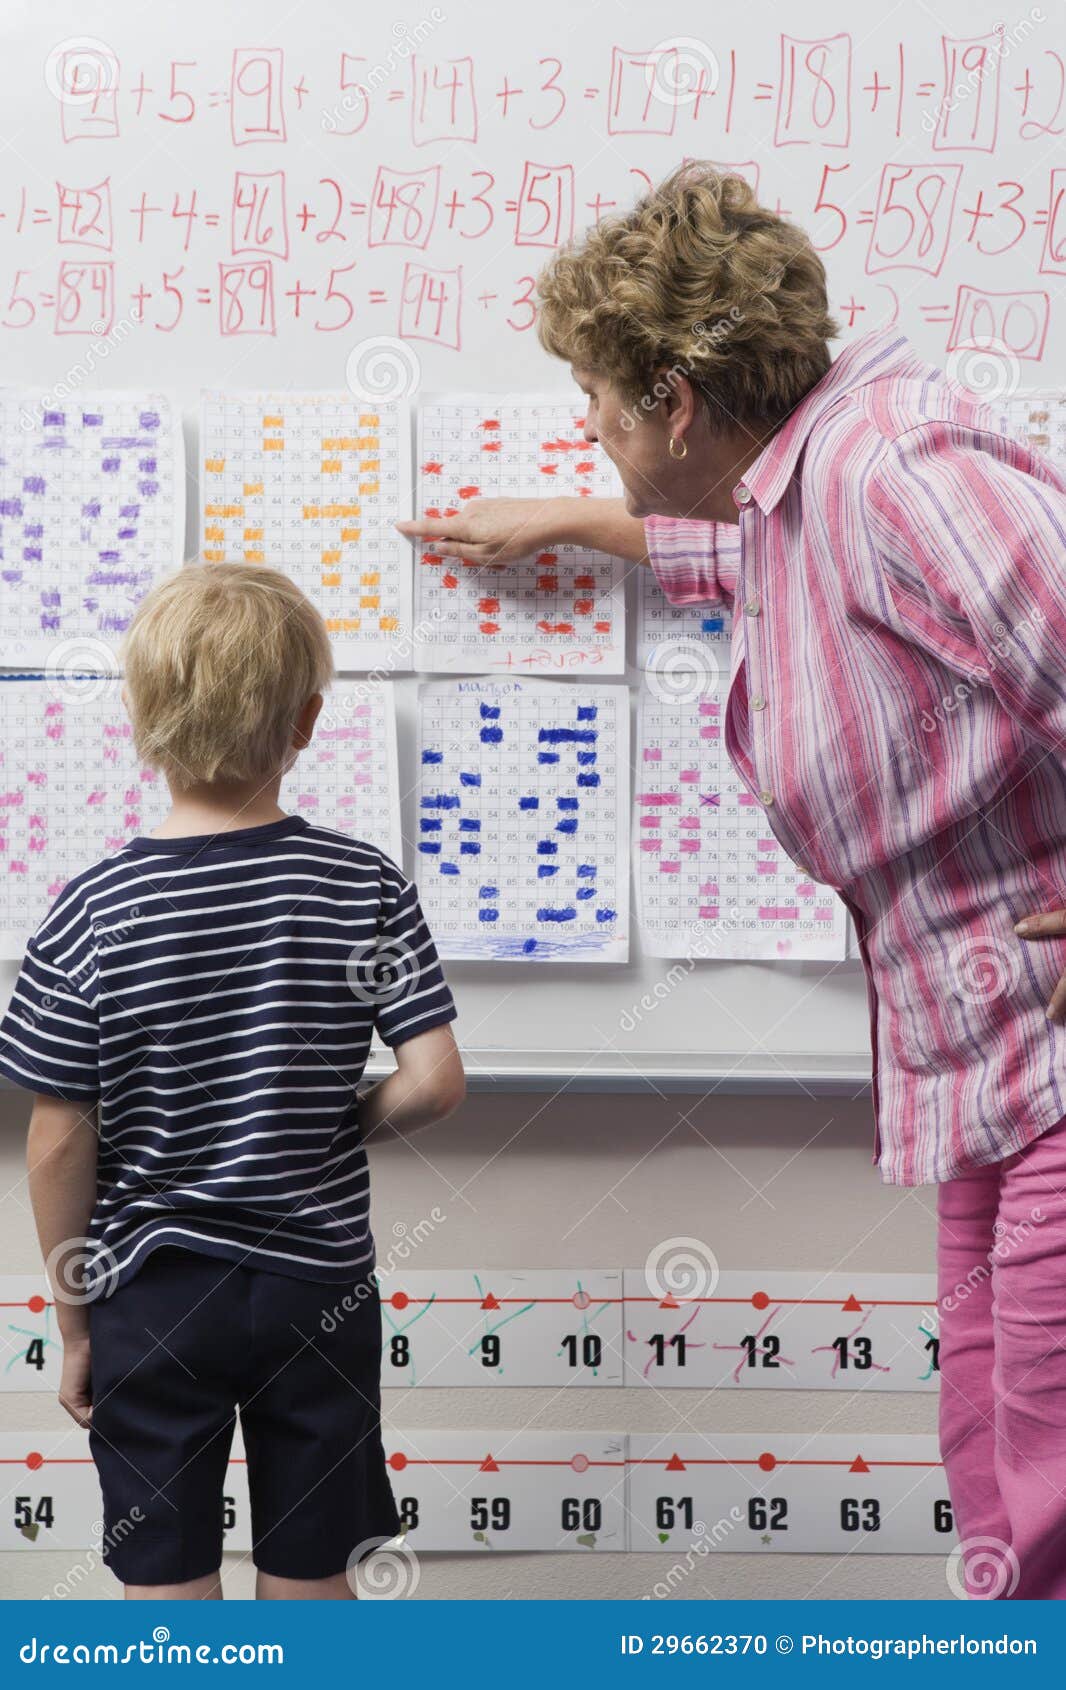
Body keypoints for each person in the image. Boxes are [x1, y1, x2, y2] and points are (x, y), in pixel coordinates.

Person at [399, 165, 1066, 1601]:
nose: (588, 425)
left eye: (596, 400)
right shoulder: (804, 491)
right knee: (993, 1472)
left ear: (675, 400)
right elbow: (767, 562)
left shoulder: (901, 468)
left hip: (1048, 1057)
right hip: (980, 1067)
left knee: (1050, 1462)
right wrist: (578, 524)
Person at [0, 561, 465, 1600]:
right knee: (315, 1573)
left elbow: (57, 1142)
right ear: (304, 722)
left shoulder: (90, 911)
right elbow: (434, 1082)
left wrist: (75, 1325)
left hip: (151, 1293)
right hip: (318, 1286)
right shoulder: (363, 885)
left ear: (141, 713)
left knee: (166, 1584)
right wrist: (336, 1127)